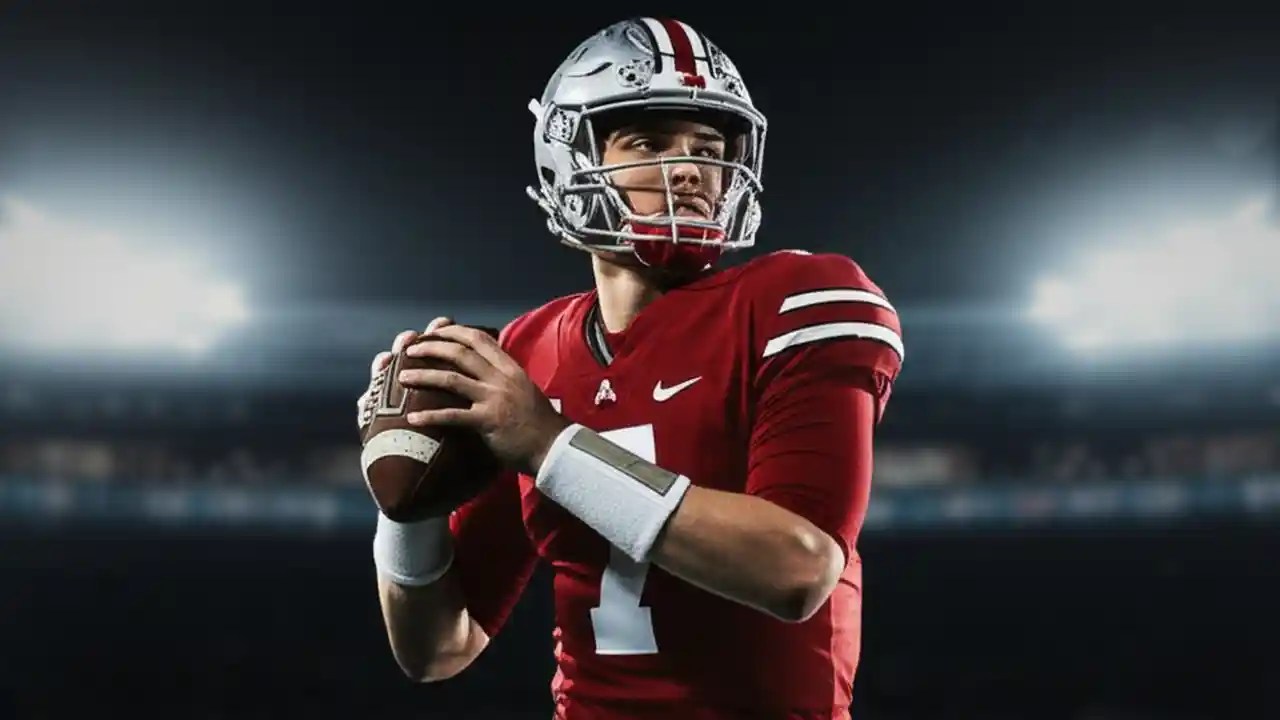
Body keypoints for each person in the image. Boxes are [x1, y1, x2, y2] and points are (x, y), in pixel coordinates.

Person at [359, 17, 904, 720]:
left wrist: (548, 442)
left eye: (709, 147)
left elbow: (797, 570)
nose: (691, 169)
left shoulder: (796, 298)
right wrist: (405, 506)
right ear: (569, 158)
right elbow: (437, 648)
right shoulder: (526, 348)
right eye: (648, 142)